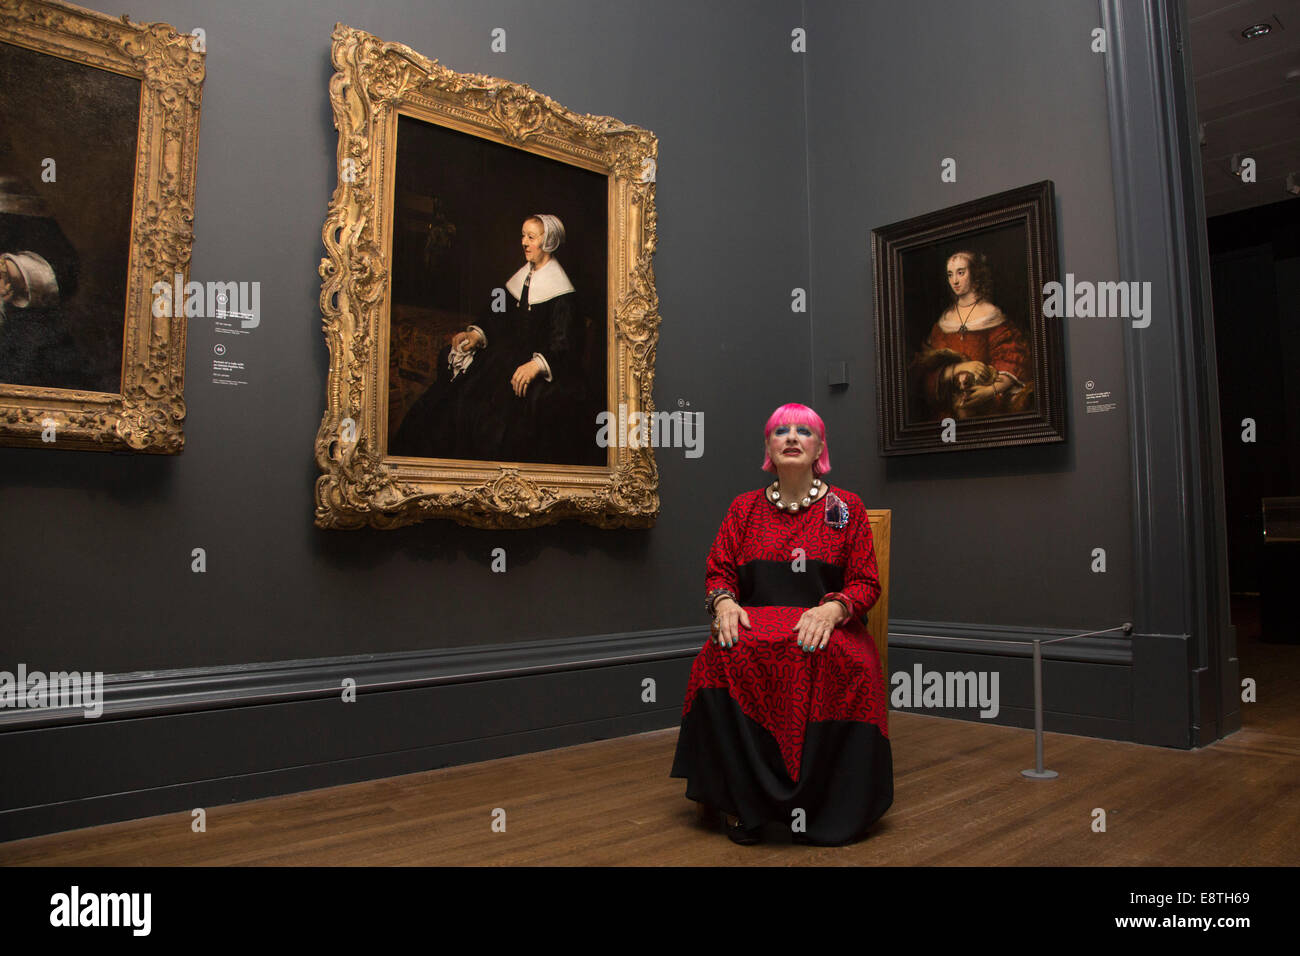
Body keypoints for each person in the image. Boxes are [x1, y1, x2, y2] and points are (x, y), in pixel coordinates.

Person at [670, 403, 893, 845]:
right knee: (716, 658)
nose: (792, 437)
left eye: (804, 431)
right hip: (755, 627)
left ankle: (831, 804)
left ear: (820, 448)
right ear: (769, 447)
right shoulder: (743, 509)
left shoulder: (846, 507)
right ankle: (739, 800)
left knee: (850, 667)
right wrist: (724, 604)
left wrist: (832, 610)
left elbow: (867, 581)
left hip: (830, 628)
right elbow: (718, 571)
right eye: (781, 431)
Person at [392, 213, 586, 463]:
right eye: (523, 236)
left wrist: (535, 365)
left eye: (531, 237)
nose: (524, 242)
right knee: (453, 397)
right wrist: (476, 333)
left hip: (532, 363)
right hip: (504, 355)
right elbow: (496, 313)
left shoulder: (562, 291)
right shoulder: (523, 275)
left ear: (547, 242)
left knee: (489, 417)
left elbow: (564, 345)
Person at [909, 250, 1033, 420]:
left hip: (989, 410)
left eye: (961, 273)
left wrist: (989, 391)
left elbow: (1014, 360)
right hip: (948, 417)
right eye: (950, 274)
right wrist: (958, 368)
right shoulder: (942, 325)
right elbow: (925, 374)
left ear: (975, 274)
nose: (955, 281)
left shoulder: (993, 317)